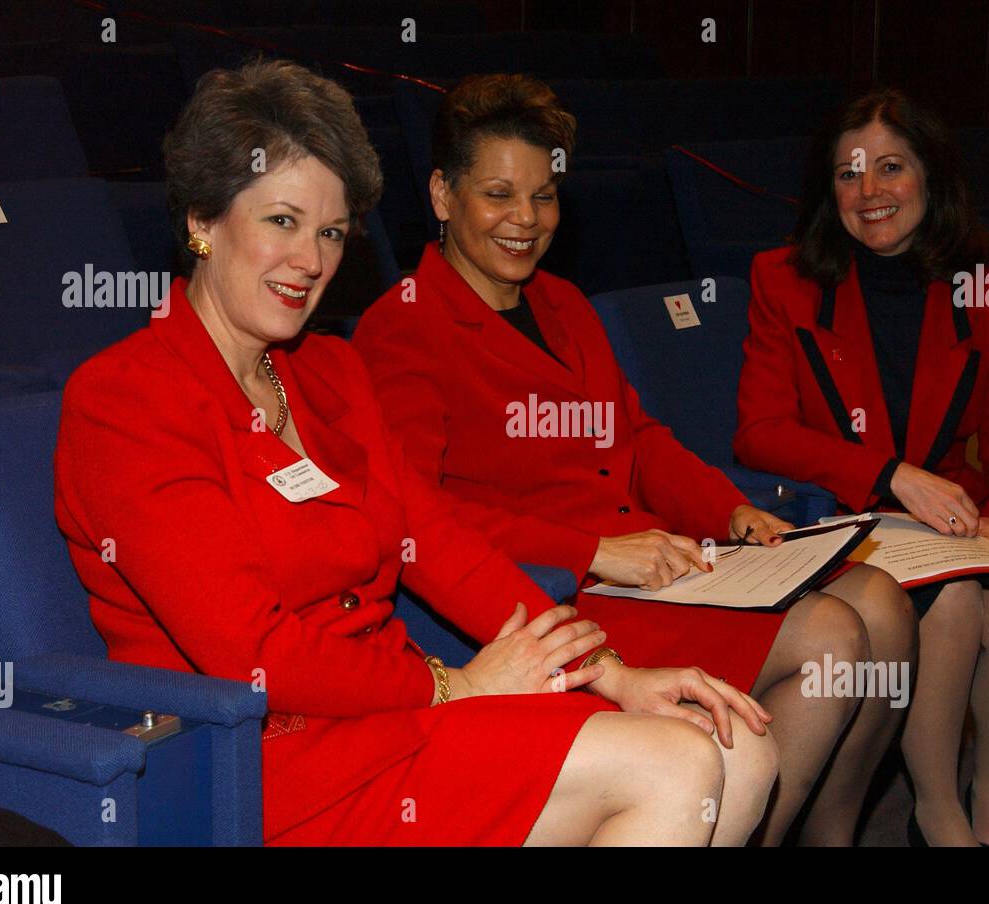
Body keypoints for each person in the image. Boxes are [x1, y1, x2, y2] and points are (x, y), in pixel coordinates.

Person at [54, 59, 779, 847]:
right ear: (203, 219)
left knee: (743, 752)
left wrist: (610, 671)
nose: (311, 261)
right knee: (676, 766)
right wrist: (453, 684)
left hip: (392, 718)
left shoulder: (328, 371)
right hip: (258, 763)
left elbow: (436, 539)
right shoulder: (128, 398)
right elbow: (252, 651)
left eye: (331, 232)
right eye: (282, 221)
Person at [353, 73, 917, 846]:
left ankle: (823, 829)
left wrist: (729, 509)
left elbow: (639, 438)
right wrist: (594, 552)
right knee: (834, 639)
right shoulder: (403, 329)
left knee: (880, 599)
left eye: (544, 196)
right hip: (551, 596)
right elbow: (420, 519)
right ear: (444, 197)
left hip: (651, 562)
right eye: (499, 194)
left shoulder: (565, 304)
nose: (526, 220)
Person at [735, 88, 989, 846]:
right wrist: (890, 474)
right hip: (836, 519)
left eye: (891, 167)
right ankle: (935, 805)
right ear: (829, 187)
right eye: (849, 173)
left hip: (950, 532)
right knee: (950, 607)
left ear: (932, 176)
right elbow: (759, 433)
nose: (870, 192)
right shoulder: (782, 279)